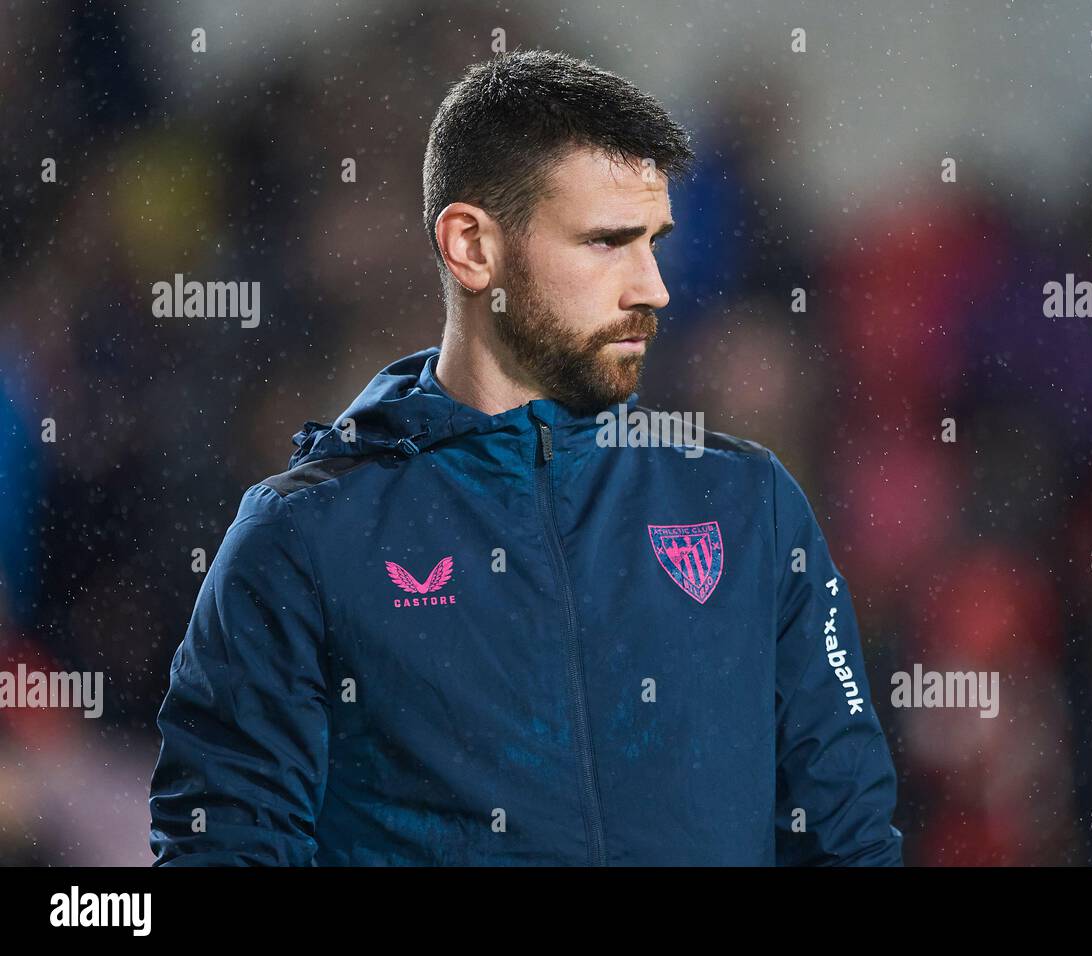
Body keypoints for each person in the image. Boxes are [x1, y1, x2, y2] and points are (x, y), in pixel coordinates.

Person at [148, 48, 903, 866]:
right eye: (608, 242)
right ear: (472, 247)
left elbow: (848, 838)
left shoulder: (747, 502)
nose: (653, 286)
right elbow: (224, 847)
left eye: (655, 241)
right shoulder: (306, 538)